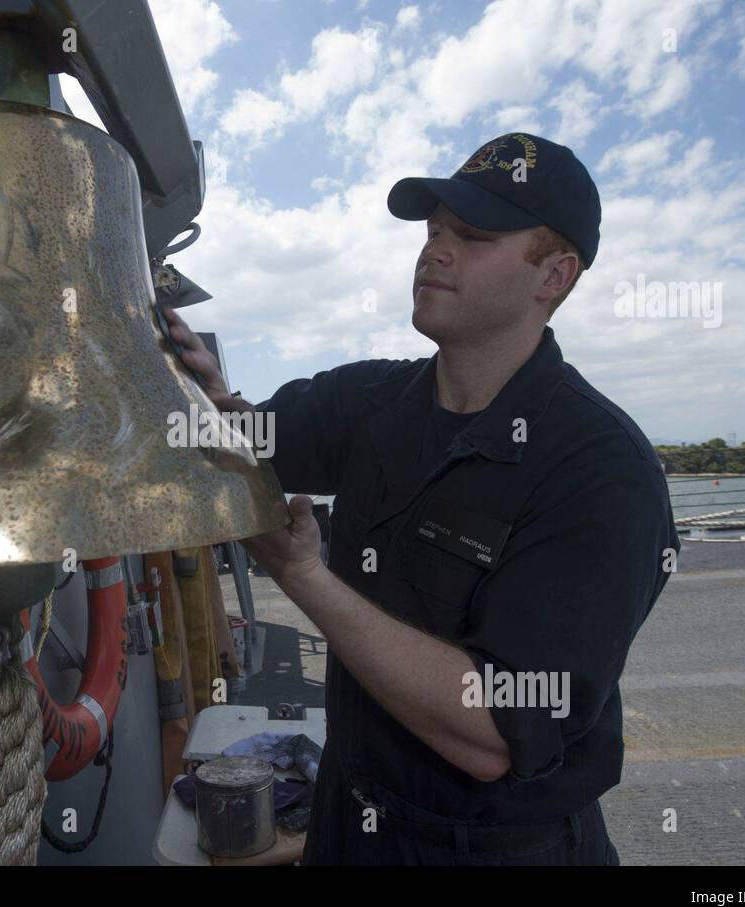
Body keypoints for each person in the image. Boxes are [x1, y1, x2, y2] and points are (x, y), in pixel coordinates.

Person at [163, 132, 677, 865]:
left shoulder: (602, 472)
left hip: (489, 849)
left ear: (553, 275)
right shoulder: (370, 401)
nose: (435, 249)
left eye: (472, 234)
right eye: (435, 229)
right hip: (349, 817)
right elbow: (250, 437)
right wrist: (199, 387)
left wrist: (304, 574)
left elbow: (498, 729)